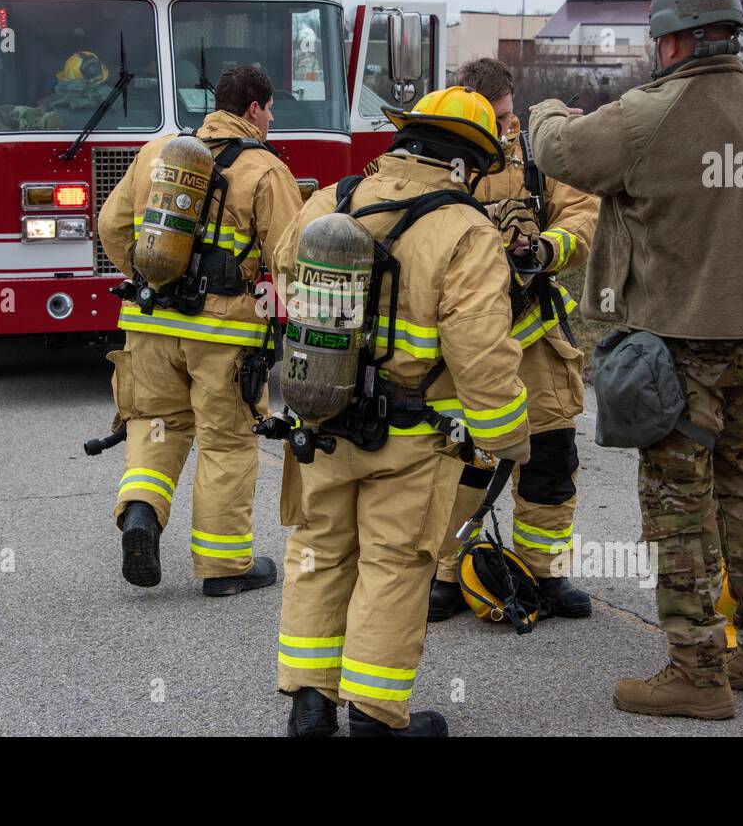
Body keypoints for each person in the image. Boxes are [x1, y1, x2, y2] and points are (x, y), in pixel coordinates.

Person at [527, 0, 743, 719]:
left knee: (678, 505)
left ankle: (696, 671)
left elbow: (557, 153)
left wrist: (543, 107)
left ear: (671, 39)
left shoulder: (646, 115)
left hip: (675, 345)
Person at [273, 87, 533, 737]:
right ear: (465, 164)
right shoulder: (466, 229)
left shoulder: (332, 198)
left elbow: (281, 262)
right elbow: (480, 348)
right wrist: (507, 436)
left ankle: (309, 708)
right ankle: (374, 718)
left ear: (403, 141)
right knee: (393, 566)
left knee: (318, 553)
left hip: (322, 421)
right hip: (410, 442)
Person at [98, 65, 302, 596]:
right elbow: (292, 257)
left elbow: (111, 225)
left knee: (154, 423)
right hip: (224, 334)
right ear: (254, 108)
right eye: (271, 109)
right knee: (226, 443)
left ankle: (141, 512)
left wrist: (144, 276)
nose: (272, 119)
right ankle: (224, 567)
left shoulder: (159, 153)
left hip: (148, 324)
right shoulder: (265, 170)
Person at [428, 57, 599, 623]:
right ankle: (446, 572)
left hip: (534, 337)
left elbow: (583, 218)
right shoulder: (439, 159)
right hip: (462, 343)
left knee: (550, 457)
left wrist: (547, 247)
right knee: (463, 459)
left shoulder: (537, 159)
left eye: (509, 117)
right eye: (494, 121)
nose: (506, 130)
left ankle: (544, 572)